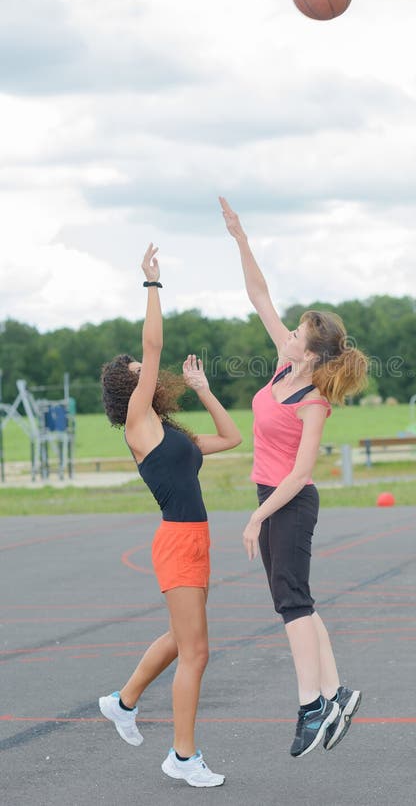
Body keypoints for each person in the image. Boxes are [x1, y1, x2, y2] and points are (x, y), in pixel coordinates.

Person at [219, 197, 368, 758]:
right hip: (272, 499)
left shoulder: (313, 402)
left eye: (297, 333)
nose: (286, 334)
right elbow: (259, 295)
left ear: (308, 354)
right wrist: (241, 239)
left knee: (292, 604)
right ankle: (336, 692)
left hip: (290, 503)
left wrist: (258, 516)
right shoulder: (284, 365)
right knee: (300, 601)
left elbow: (302, 472)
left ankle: (313, 707)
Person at [98, 243, 241, 788]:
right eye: (139, 372)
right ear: (129, 389)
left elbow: (231, 437)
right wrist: (153, 286)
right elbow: (152, 344)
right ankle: (182, 757)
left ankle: (124, 700)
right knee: (197, 653)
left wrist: (205, 390)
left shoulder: (172, 434)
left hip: (196, 539)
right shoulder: (138, 425)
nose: (148, 373)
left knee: (184, 641)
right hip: (178, 542)